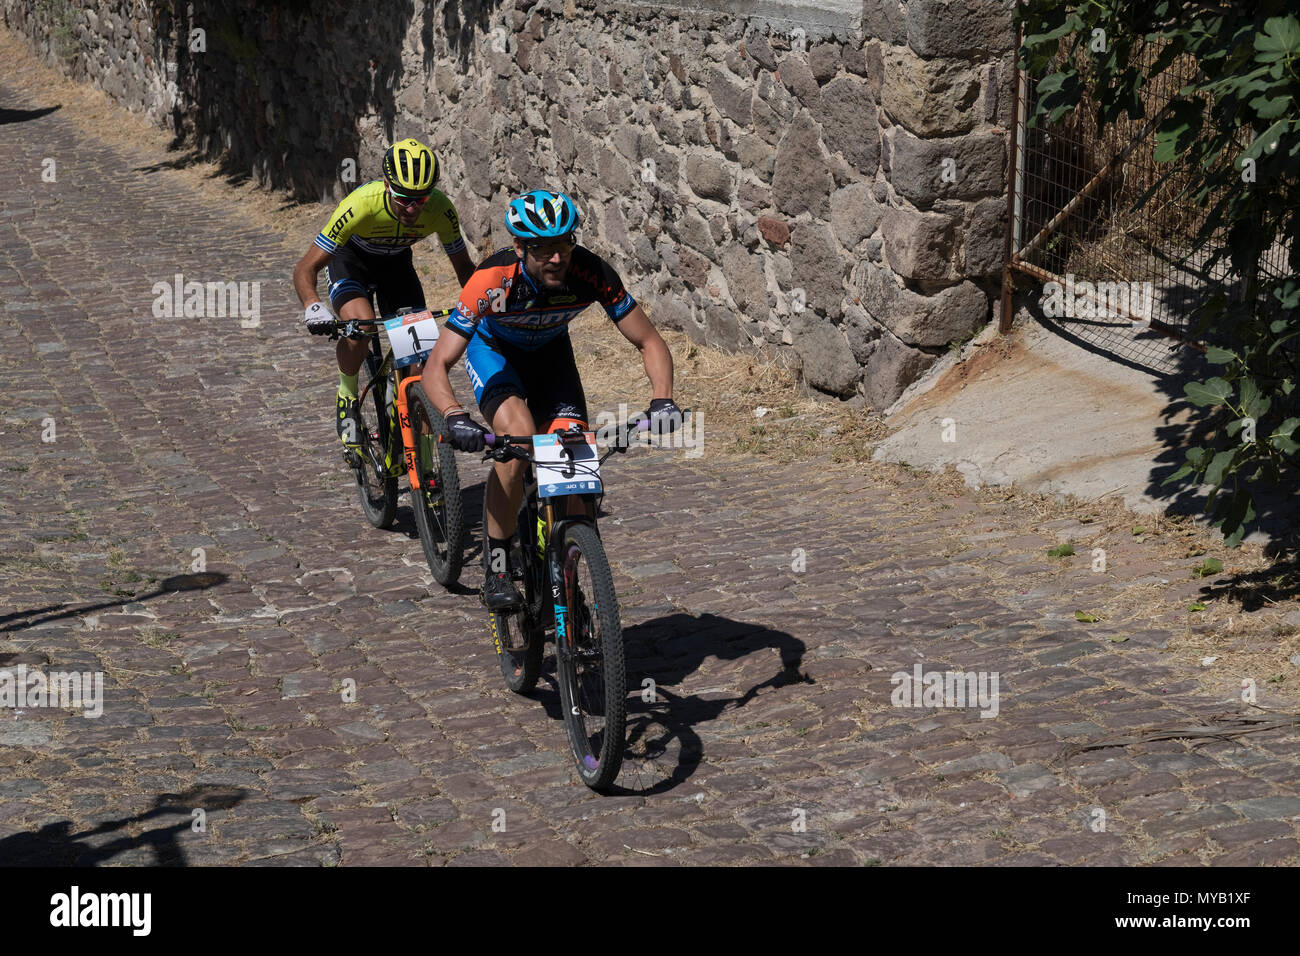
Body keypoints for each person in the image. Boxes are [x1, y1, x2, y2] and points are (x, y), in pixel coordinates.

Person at [421, 188, 683, 609]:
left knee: (573, 454)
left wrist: (663, 399)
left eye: (564, 245)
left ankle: (569, 571)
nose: (557, 259)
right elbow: (436, 364)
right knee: (518, 442)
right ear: (520, 246)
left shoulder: (591, 272)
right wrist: (454, 415)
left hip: (549, 356)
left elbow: (649, 340)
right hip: (495, 353)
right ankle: (499, 565)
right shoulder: (490, 281)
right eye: (543, 249)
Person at [295, 137, 476, 445]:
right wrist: (313, 305)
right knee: (362, 326)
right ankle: (347, 395)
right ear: (387, 185)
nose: (412, 208)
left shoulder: (441, 210)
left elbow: (465, 270)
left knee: (418, 361)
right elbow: (305, 268)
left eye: (421, 200)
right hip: (351, 263)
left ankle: (427, 462)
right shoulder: (359, 205)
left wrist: (484, 308)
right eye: (404, 198)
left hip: (396, 267)